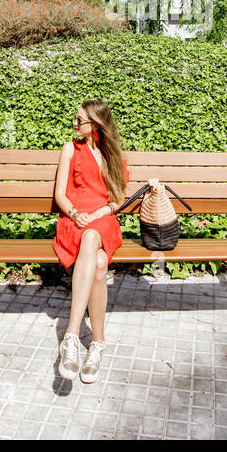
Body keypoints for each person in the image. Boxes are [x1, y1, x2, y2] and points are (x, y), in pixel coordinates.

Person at [53, 99, 129, 383]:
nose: (75, 125)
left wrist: (101, 211)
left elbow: (119, 198)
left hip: (103, 221)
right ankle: (97, 343)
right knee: (98, 264)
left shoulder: (114, 156)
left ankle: (71, 334)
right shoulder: (71, 149)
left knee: (93, 237)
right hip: (74, 221)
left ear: (96, 124)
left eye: (80, 120)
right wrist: (75, 213)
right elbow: (60, 194)